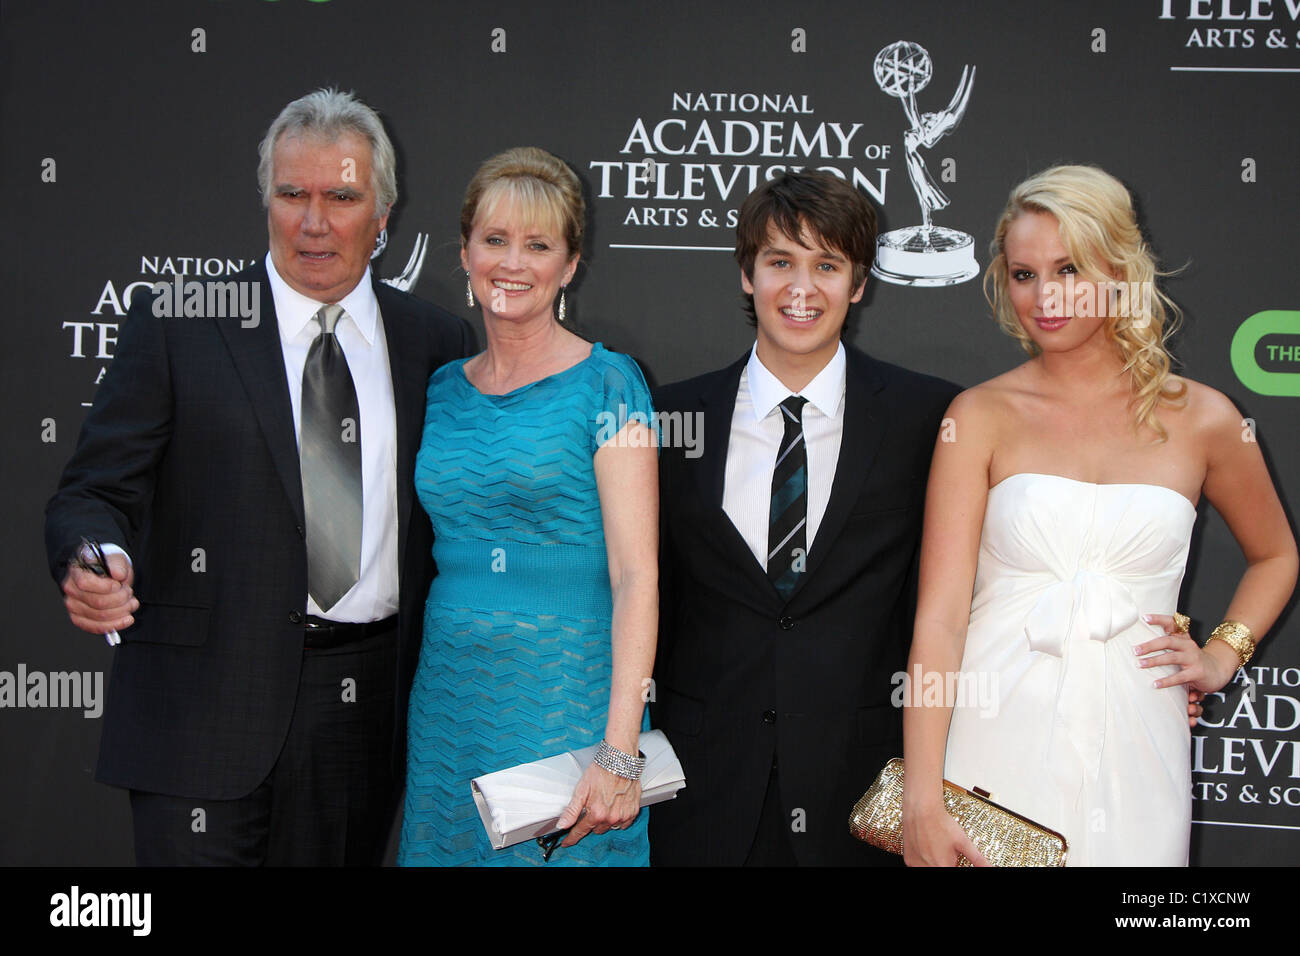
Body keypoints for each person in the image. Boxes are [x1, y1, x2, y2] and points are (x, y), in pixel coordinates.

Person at [44, 88, 475, 865]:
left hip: (361, 712)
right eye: (292, 195)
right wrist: (90, 557)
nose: (315, 222)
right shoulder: (179, 321)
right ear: (266, 202)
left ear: (383, 216)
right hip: (198, 713)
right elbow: (93, 493)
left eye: (341, 197)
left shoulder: (435, 344)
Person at [902, 164, 1298, 867]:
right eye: (1024, 275)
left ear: (1120, 269)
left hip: (1138, 736)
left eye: (1069, 269)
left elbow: (1277, 554)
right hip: (993, 732)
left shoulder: (1204, 419)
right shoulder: (979, 416)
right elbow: (940, 617)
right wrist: (924, 797)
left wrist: (1220, 656)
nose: (1045, 297)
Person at [649, 170, 961, 866]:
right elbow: (630, 585)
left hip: (860, 793)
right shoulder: (671, 418)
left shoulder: (927, 417)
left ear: (858, 284)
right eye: (780, 261)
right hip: (701, 791)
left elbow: (964, 591)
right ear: (746, 274)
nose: (801, 287)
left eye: (827, 265)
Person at [397, 147, 658, 867]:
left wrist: (620, 752)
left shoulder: (610, 384)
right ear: (465, 253)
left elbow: (637, 576)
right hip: (449, 696)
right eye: (495, 240)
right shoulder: (441, 388)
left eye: (538, 245)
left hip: (563, 697)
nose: (513, 263)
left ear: (570, 266)